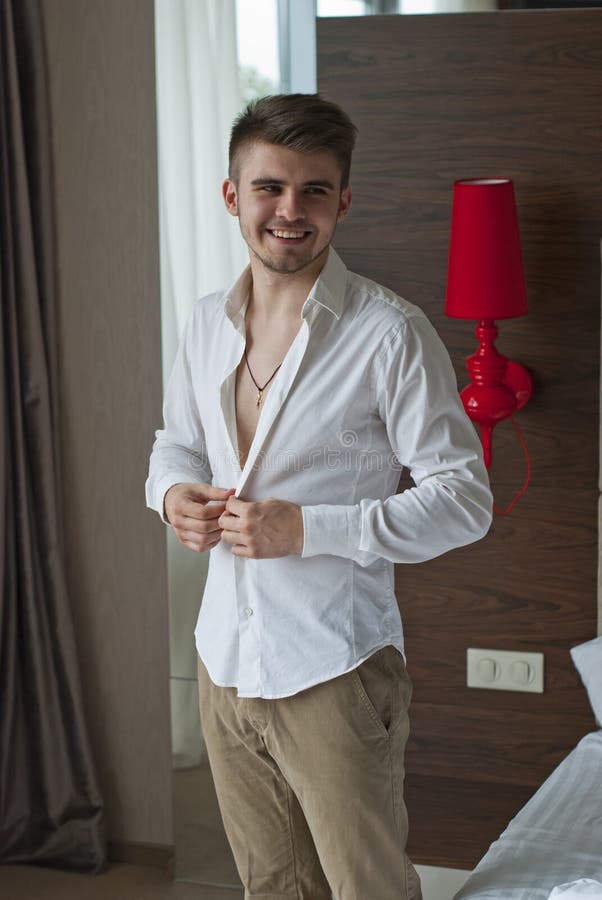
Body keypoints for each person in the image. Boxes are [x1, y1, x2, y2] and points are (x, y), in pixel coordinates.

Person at [146, 93, 492, 900]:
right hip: (224, 659)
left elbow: (463, 498)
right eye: (269, 187)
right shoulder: (204, 323)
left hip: (333, 668)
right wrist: (172, 494)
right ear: (233, 195)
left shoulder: (389, 333)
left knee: (367, 888)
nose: (289, 211)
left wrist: (307, 529)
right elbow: (176, 441)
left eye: (314, 191)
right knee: (273, 886)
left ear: (344, 201)